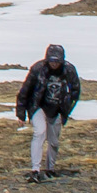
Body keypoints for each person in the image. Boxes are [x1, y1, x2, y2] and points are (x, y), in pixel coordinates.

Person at [14, 43, 79, 183]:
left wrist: (66, 110)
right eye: (51, 61)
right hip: (38, 106)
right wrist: (21, 113)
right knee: (40, 132)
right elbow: (25, 90)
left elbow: (75, 91)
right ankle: (35, 170)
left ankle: (50, 169)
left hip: (57, 109)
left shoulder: (69, 70)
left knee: (54, 141)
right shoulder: (38, 69)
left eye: (57, 61)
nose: (54, 64)